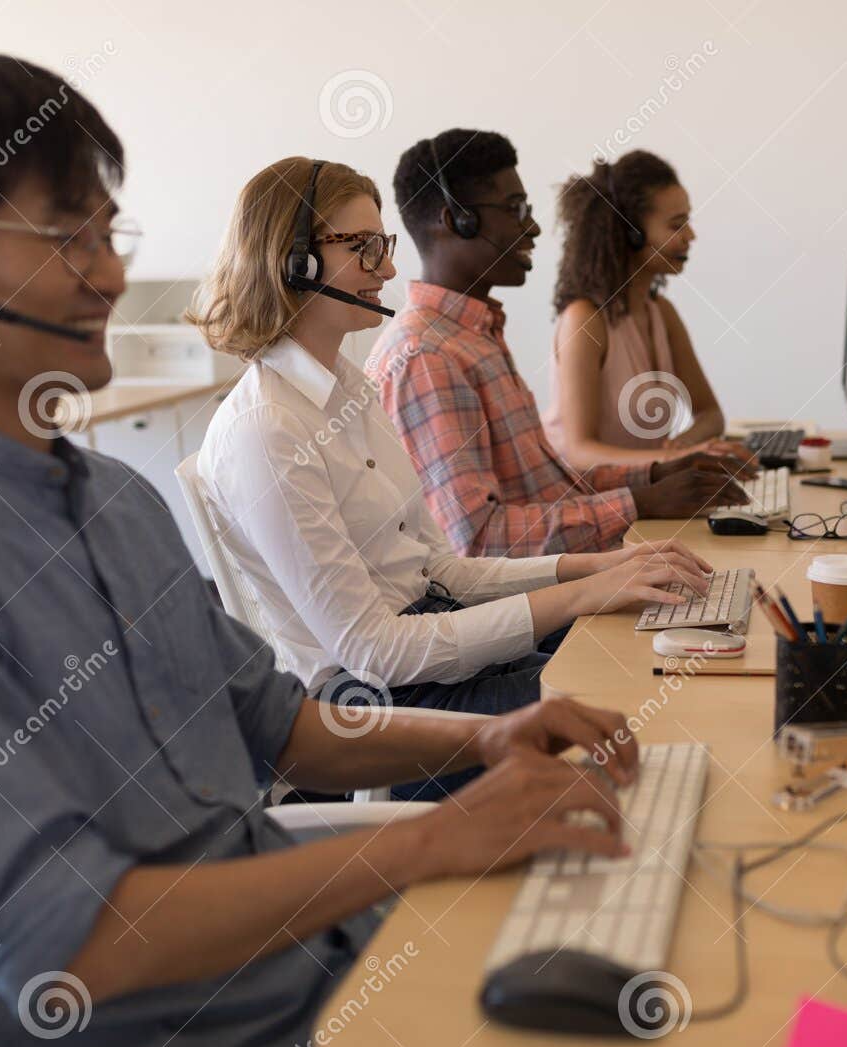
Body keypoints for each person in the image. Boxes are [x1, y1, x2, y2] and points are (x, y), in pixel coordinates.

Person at [0, 55, 639, 1047]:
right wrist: (433, 840)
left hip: (296, 968)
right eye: (66, 237)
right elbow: (73, 945)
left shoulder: (112, 501)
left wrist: (490, 738)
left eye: (109, 234)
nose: (110, 276)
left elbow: (283, 727)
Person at [186, 157, 710, 769]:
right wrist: (580, 595)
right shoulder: (266, 429)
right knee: (632, 700)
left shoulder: (349, 389)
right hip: (381, 709)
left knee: (641, 663)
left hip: (438, 657)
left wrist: (598, 568)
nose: (388, 269)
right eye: (363, 248)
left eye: (383, 246)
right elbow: (375, 651)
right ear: (293, 262)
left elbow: (440, 570)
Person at [368, 129, 751, 560]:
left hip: (564, 574)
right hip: (535, 599)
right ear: (457, 219)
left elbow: (550, 490)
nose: (532, 227)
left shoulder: (475, 335)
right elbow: (478, 541)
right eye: (515, 209)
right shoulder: (426, 356)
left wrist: (659, 473)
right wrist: (640, 501)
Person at [544, 151, 746, 470]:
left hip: (642, 489)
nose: (690, 236)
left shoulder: (661, 313)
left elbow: (710, 414)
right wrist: (674, 459)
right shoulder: (584, 321)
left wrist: (685, 446)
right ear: (631, 234)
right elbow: (580, 452)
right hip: (580, 492)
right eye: (676, 225)